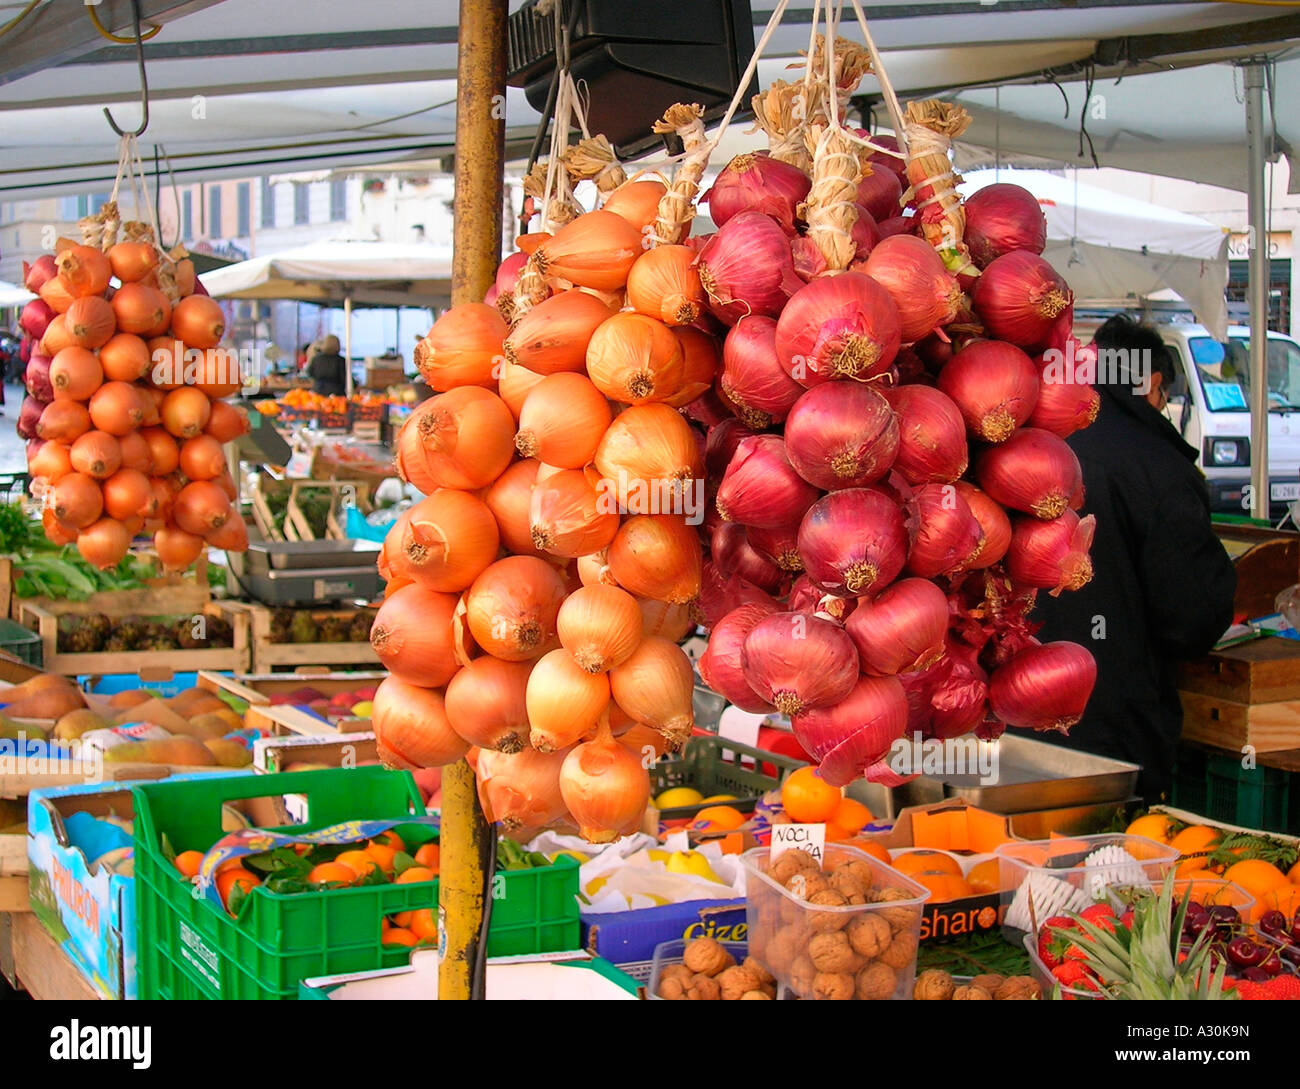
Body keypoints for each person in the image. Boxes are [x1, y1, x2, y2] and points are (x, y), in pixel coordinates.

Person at [1030, 315, 1237, 803]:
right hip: (1112, 730)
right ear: (1154, 384)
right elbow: (1193, 618)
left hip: (1011, 719)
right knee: (1108, 865)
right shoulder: (1159, 466)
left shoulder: (1035, 441)